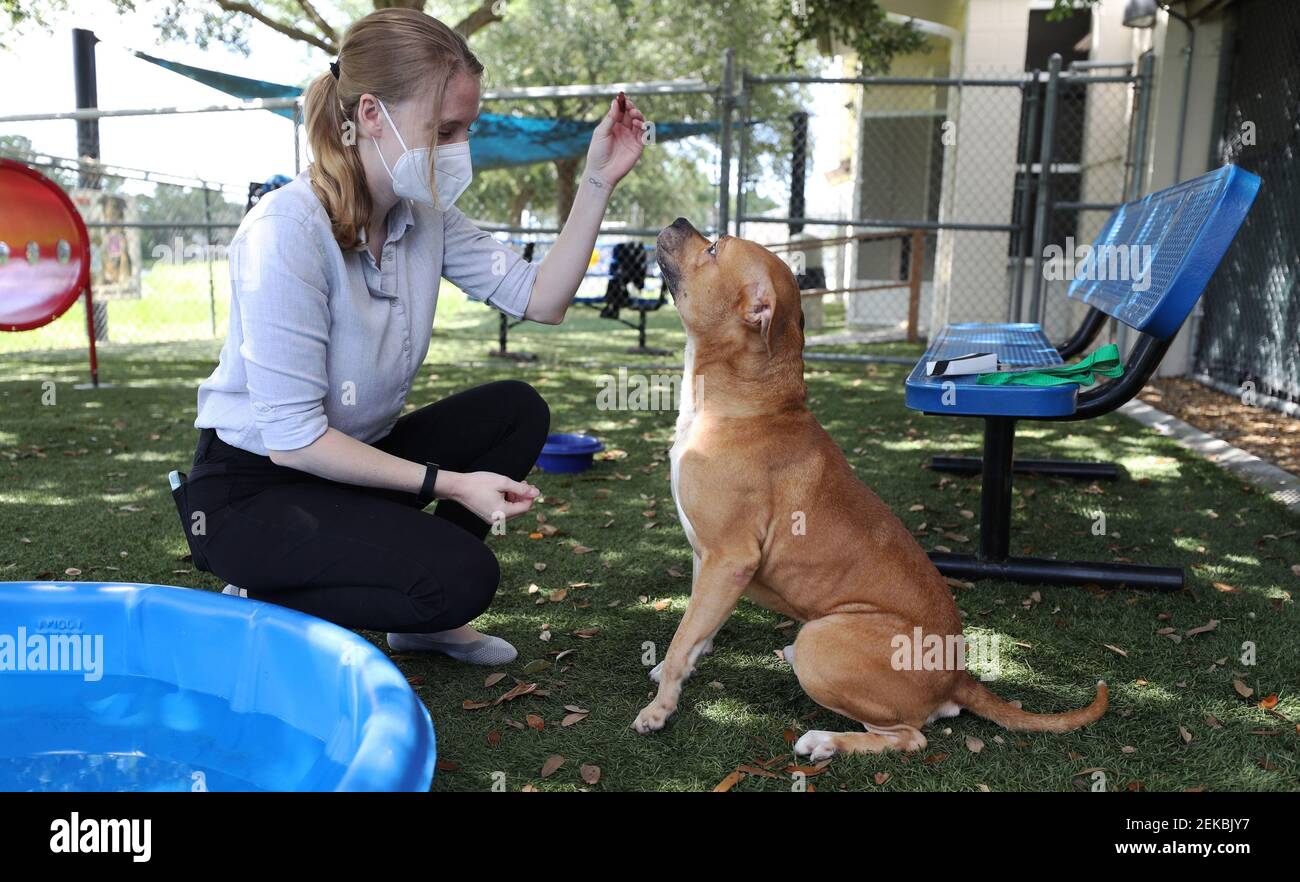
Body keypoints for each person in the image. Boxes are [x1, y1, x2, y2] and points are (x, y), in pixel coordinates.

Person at [182, 8, 645, 665]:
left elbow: (541, 300)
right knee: (461, 582)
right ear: (372, 114)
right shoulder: (284, 231)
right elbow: (292, 439)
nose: (459, 150)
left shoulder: (425, 217)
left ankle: (404, 596)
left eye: (466, 131)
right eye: (444, 130)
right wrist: (451, 485)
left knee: (516, 410)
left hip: (349, 465)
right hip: (253, 490)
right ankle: (264, 587)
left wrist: (597, 179)